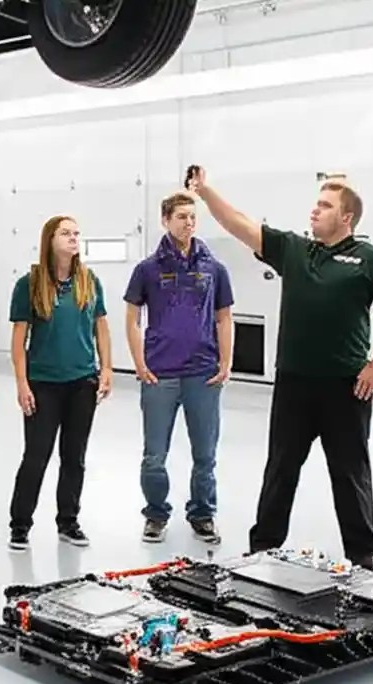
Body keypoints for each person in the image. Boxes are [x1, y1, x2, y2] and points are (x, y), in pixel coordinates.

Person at [188, 168, 373, 570]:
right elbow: (239, 224)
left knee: (351, 472)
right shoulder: (295, 250)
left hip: (346, 386)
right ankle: (264, 548)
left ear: (347, 218)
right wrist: (204, 192)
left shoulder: (369, 259)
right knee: (281, 467)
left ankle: (363, 556)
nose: (315, 210)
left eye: (325, 206)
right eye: (316, 203)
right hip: (294, 383)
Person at [123, 191, 233, 545]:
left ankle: (203, 513)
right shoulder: (147, 269)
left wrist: (226, 362)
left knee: (206, 454)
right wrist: (139, 363)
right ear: (165, 220)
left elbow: (224, 317)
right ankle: (155, 514)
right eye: (181, 216)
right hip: (160, 374)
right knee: (154, 455)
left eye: (192, 216)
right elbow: (131, 318)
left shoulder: (213, 268)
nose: (189, 222)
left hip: (203, 372)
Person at [7, 215, 113, 551]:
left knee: (74, 456)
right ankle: (20, 524)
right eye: (65, 233)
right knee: (36, 455)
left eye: (76, 233)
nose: (73, 238)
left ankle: (69, 521)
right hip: (43, 384)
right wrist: (22, 384)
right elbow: (19, 340)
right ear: (49, 239)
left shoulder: (89, 280)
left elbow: (101, 328)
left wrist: (106, 369)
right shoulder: (30, 283)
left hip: (82, 382)